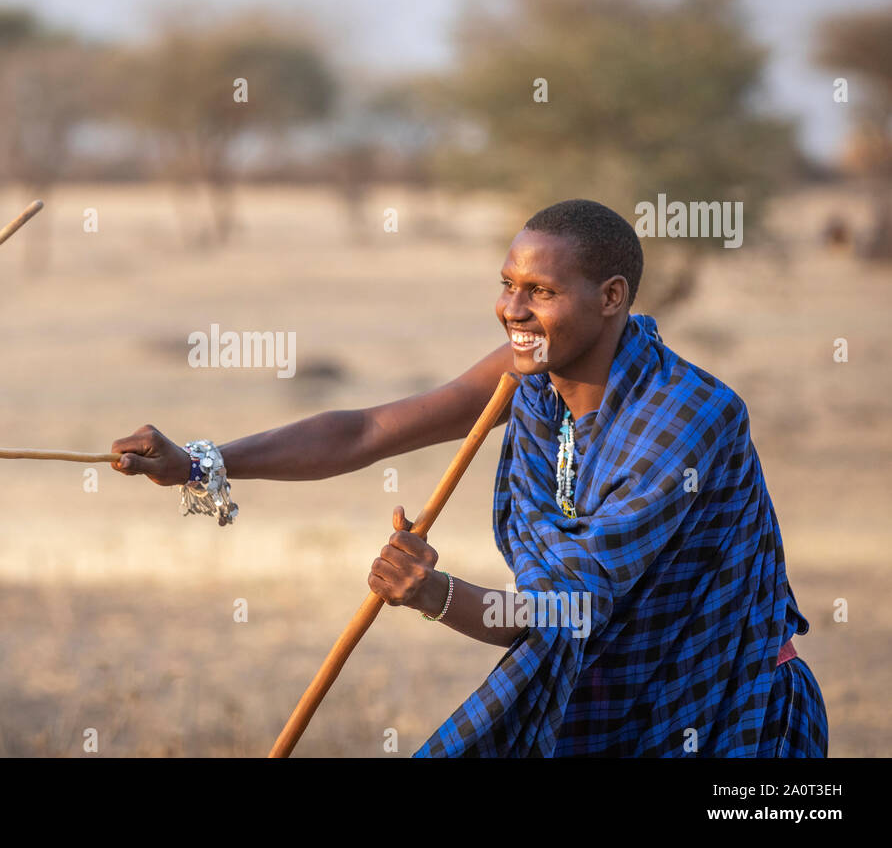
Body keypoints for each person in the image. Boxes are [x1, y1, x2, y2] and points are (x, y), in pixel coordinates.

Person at [110, 198, 827, 757]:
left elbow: (567, 610)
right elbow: (364, 430)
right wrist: (200, 462)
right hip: (605, 705)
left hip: (730, 713)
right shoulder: (531, 376)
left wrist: (433, 592)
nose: (512, 309)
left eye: (540, 290)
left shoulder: (684, 420)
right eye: (508, 284)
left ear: (611, 297)